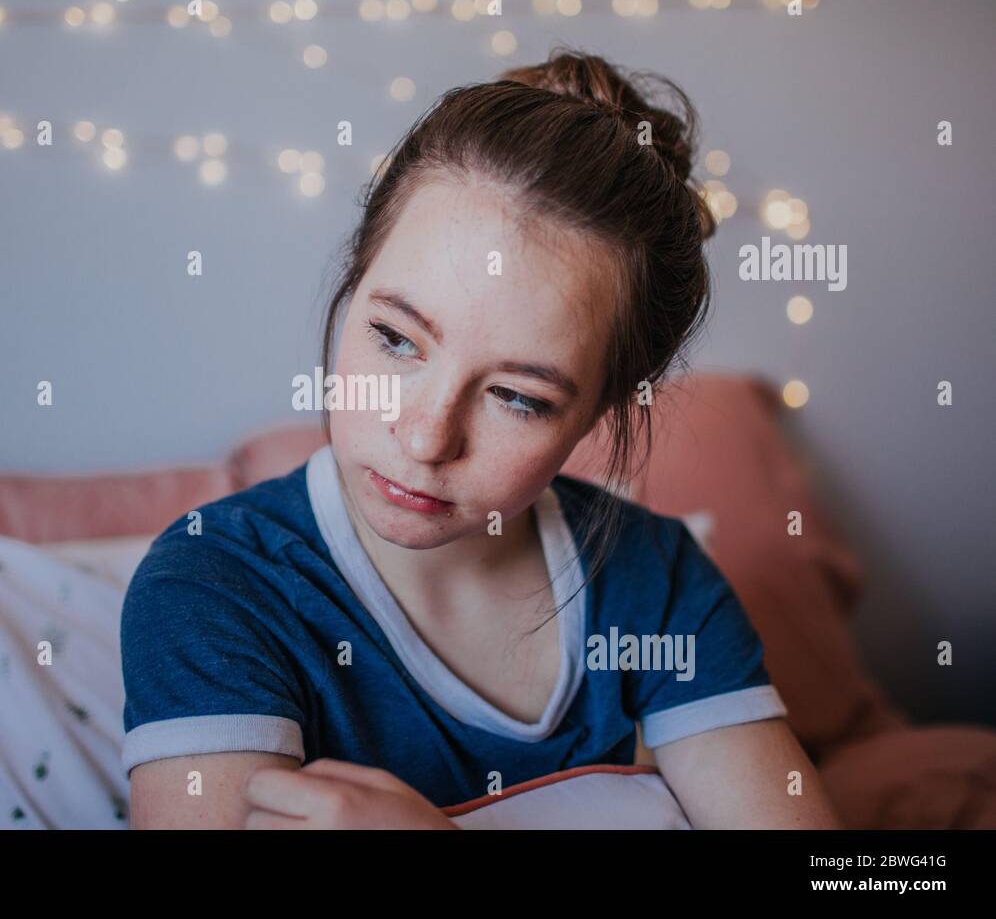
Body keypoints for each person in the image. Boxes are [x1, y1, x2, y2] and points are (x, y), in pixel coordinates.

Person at [120, 47, 842, 829]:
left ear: (599, 411)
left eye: (517, 397)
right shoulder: (215, 588)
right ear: (352, 283)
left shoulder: (656, 584)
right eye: (396, 339)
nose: (426, 438)